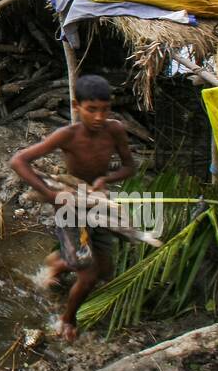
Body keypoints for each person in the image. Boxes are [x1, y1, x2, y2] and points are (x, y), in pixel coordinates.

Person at [9, 74, 135, 342]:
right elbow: (19, 161)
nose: (99, 117)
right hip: (69, 204)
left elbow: (128, 166)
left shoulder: (115, 130)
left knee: (104, 271)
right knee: (88, 277)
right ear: (77, 106)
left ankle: (57, 263)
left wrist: (106, 179)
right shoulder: (67, 135)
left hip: (97, 201)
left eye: (104, 109)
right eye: (92, 110)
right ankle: (66, 320)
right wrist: (51, 195)